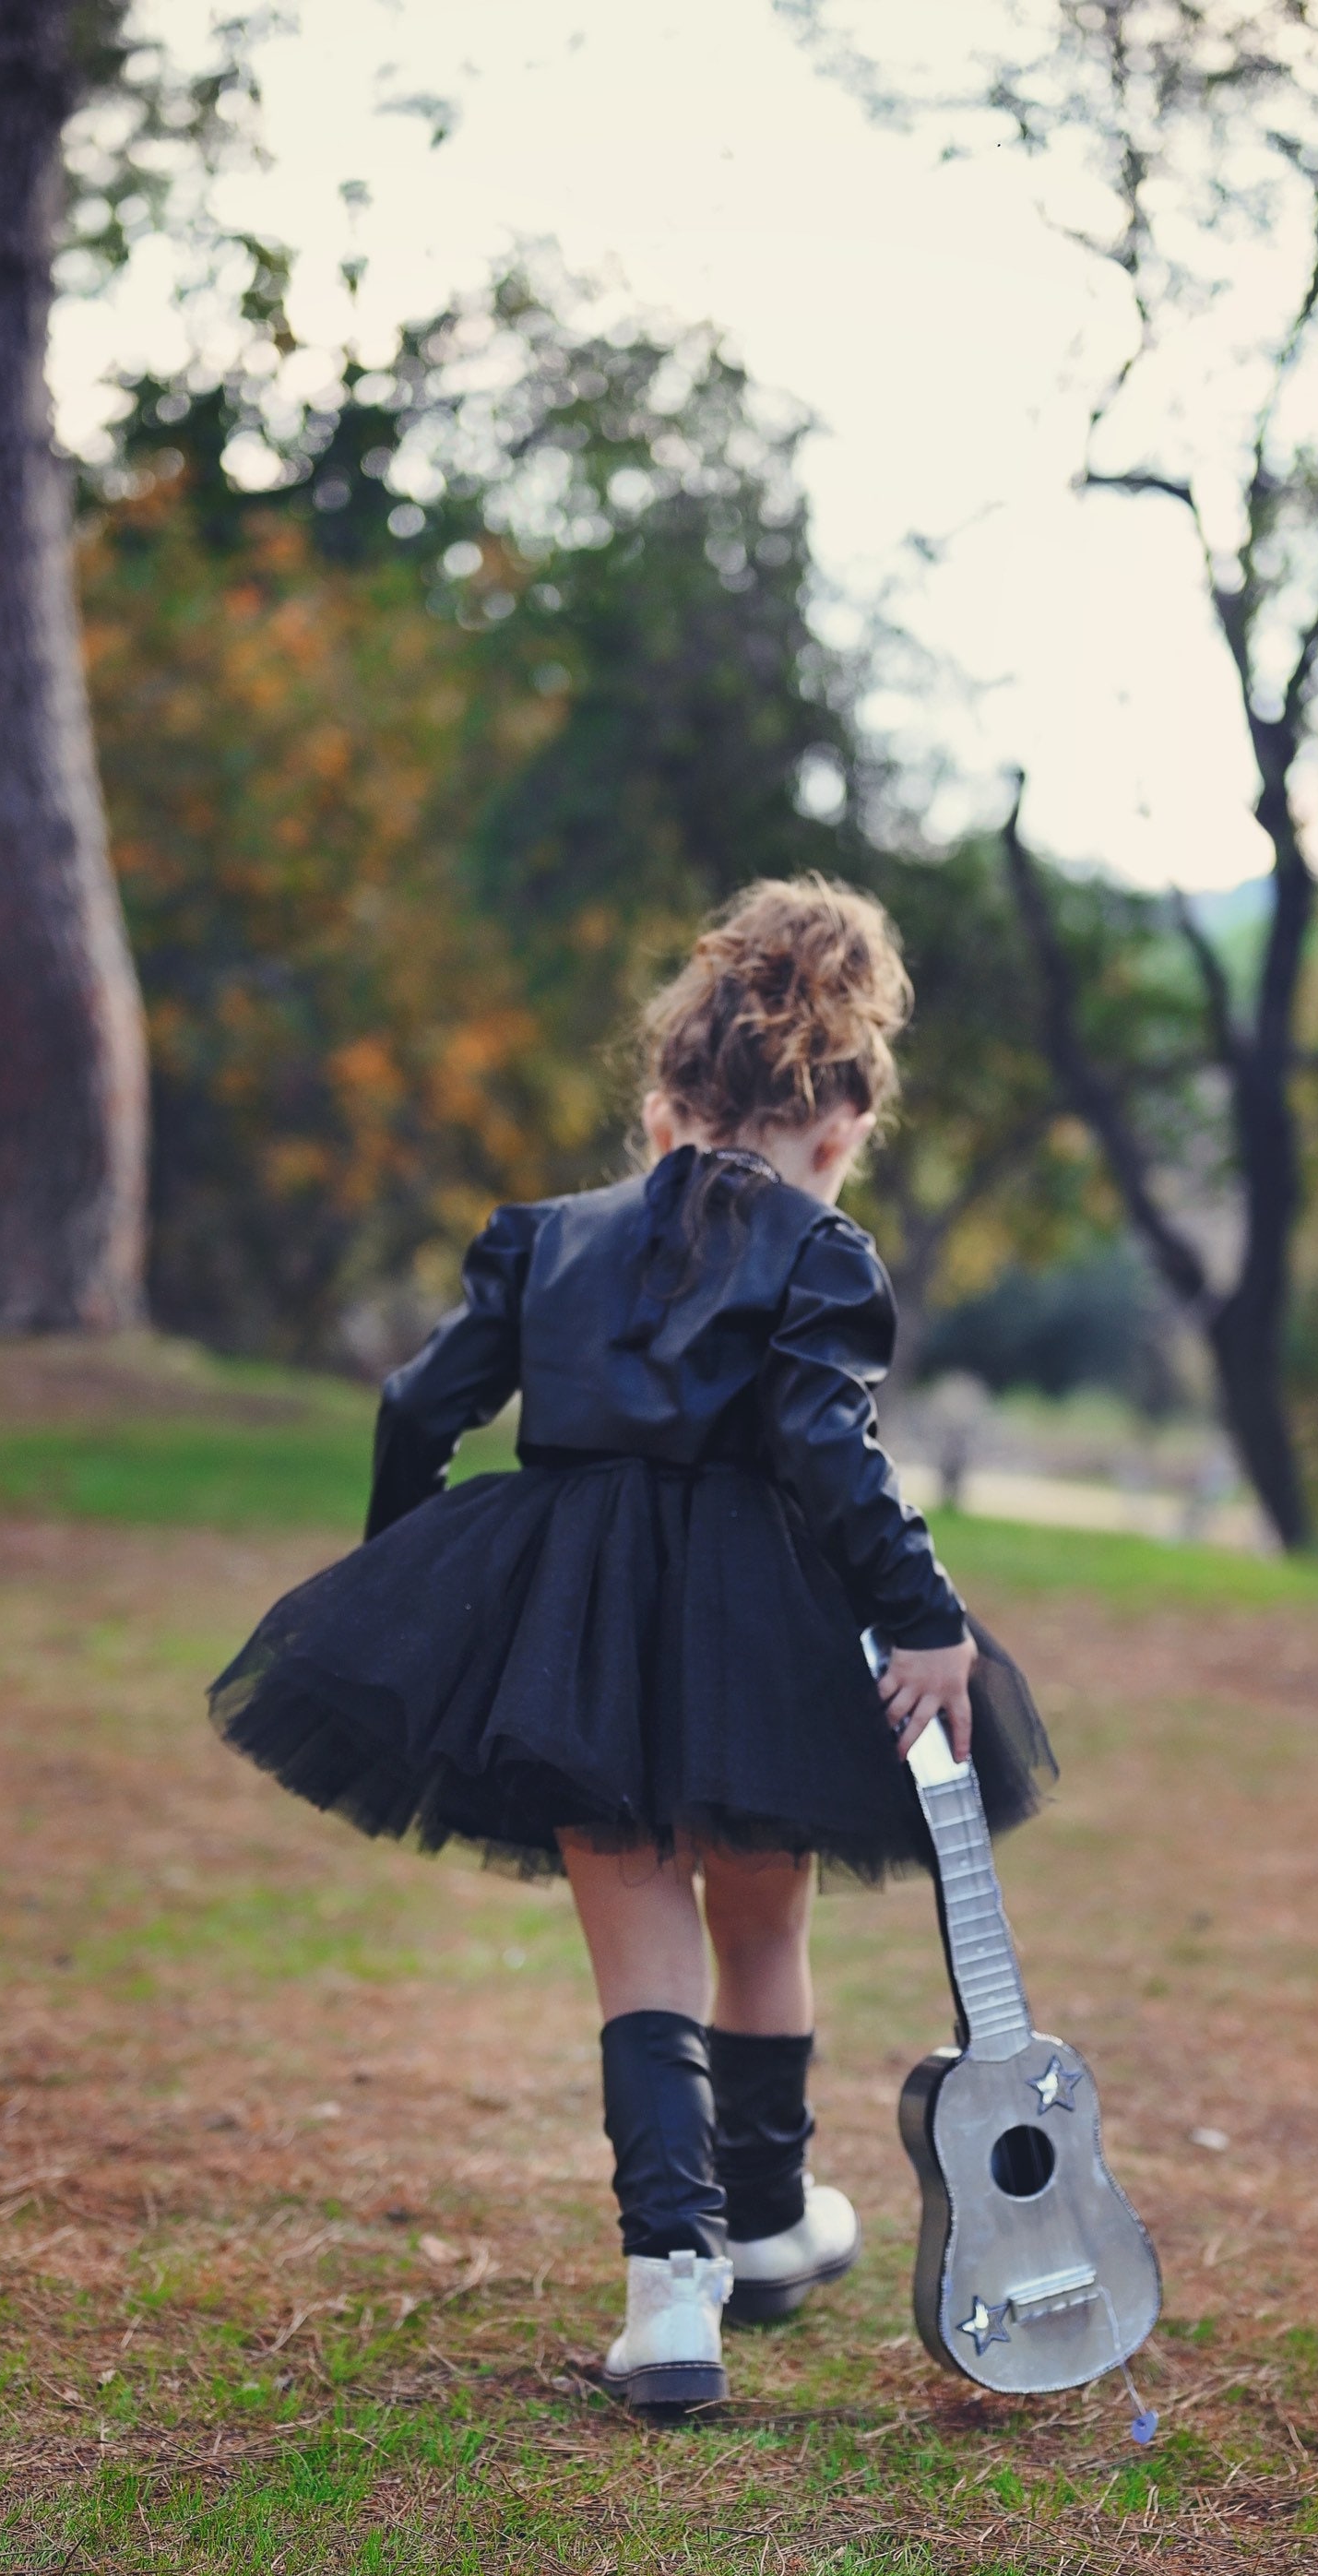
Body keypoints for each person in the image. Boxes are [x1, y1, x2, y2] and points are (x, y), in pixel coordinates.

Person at [209, 877, 1052, 2415]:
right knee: (761, 1923)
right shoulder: (820, 1249)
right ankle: (770, 2224)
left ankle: (670, 2301)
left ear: (668, 1106)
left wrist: (411, 1562)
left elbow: (417, 1408)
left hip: (569, 1623)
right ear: (840, 1124)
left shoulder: (545, 1240)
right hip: (757, 1631)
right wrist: (922, 1617)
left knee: (635, 1937)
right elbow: (827, 1449)